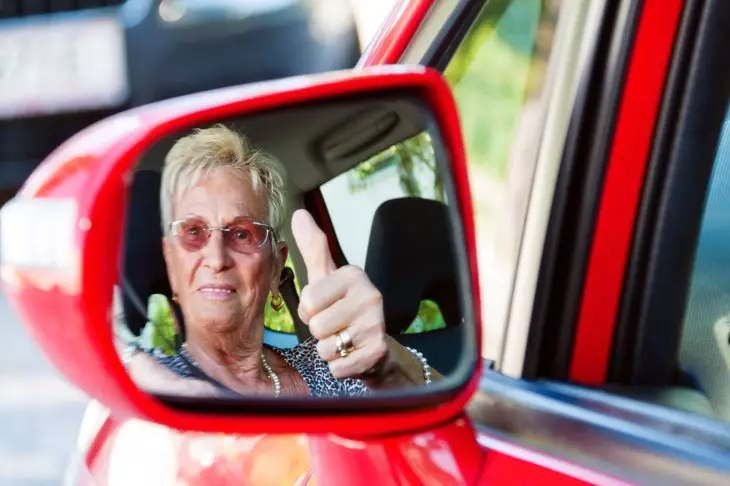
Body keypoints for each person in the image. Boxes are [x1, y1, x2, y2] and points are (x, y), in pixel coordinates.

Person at [122, 124, 440, 398]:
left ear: (276, 268)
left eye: (243, 234)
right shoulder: (153, 383)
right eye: (194, 231)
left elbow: (459, 415)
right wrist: (129, 364)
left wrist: (388, 364)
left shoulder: (332, 365)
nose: (217, 259)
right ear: (170, 264)